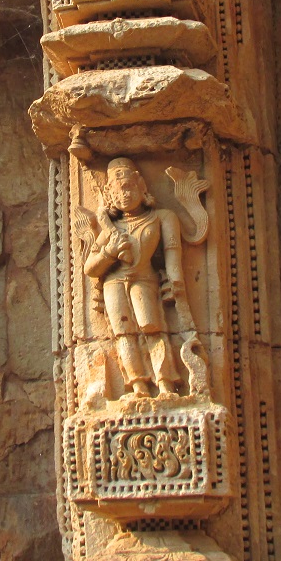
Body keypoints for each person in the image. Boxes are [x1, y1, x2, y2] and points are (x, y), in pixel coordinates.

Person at [84, 158, 187, 398]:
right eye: (117, 192)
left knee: (151, 326)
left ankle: (165, 382)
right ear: (110, 196)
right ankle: (137, 384)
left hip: (144, 278)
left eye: (129, 188)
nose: (124, 196)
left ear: (142, 186)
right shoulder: (112, 228)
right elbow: (90, 268)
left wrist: (176, 279)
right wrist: (109, 252)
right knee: (123, 331)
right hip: (115, 282)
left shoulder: (162, 217)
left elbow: (172, 251)